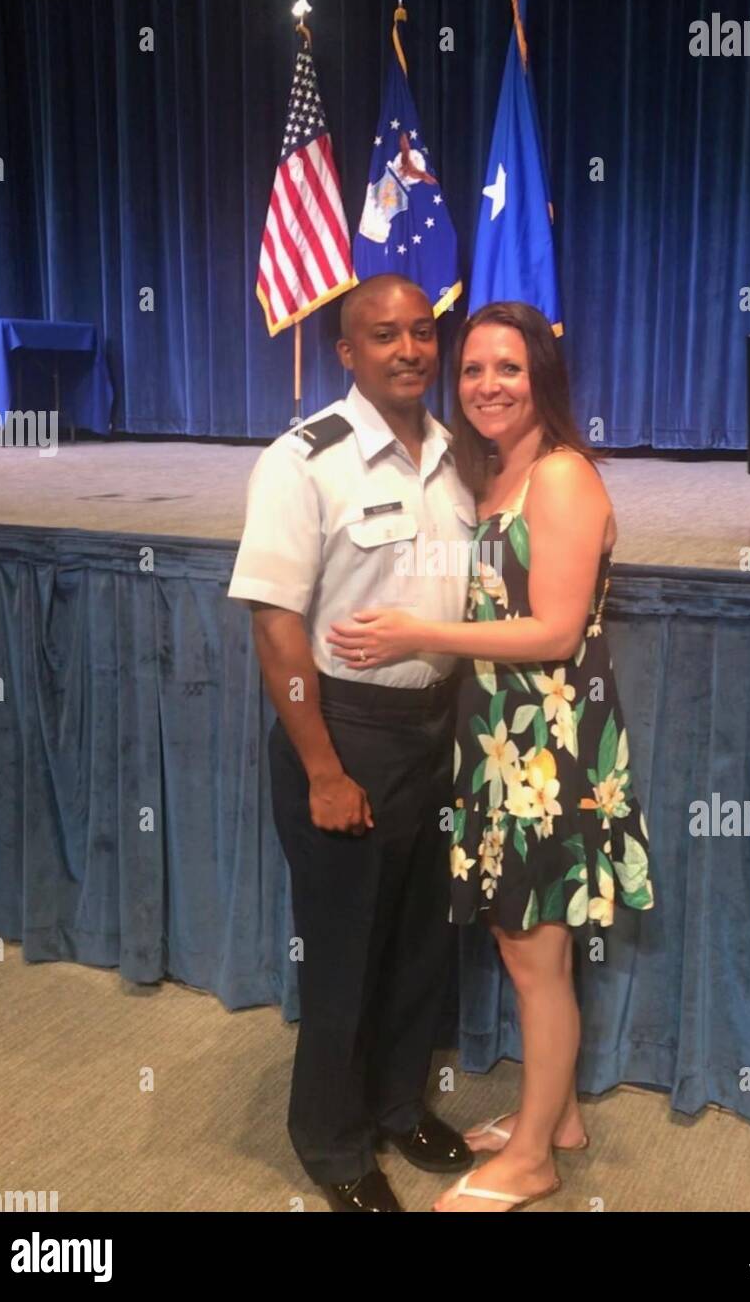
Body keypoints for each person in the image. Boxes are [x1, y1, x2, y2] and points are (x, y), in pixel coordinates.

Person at [327, 300, 655, 1212]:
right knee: (533, 951)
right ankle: (555, 1119)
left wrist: (413, 635)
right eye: (471, 370)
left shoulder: (558, 477)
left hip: (550, 752)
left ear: (541, 375)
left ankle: (537, 1161)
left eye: (506, 368)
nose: (485, 385)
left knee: (532, 955)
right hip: (503, 748)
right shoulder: (500, 471)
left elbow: (553, 630)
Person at [228, 274, 478, 1212]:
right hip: (344, 732)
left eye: (422, 332)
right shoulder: (304, 462)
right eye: (385, 336)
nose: (410, 349)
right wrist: (323, 769)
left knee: (419, 942)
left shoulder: (456, 457)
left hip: (432, 731)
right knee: (343, 952)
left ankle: (396, 1107)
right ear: (346, 352)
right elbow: (274, 626)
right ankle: (331, 1144)